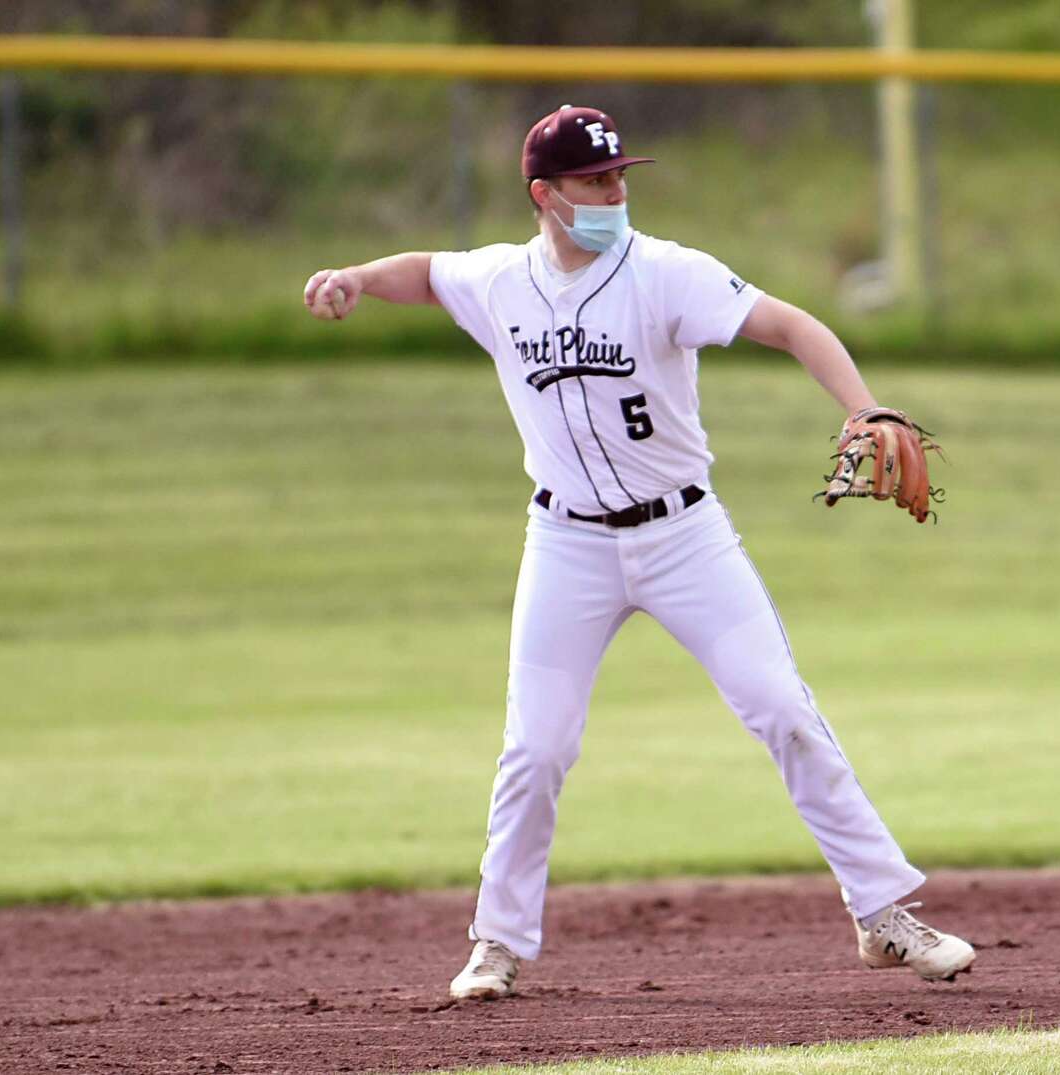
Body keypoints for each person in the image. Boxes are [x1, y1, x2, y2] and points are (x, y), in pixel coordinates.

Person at [303, 105, 975, 1000]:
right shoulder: (500, 280)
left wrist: (864, 405)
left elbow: (791, 325)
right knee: (536, 747)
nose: (615, 193)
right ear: (544, 195)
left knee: (783, 708)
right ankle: (496, 943)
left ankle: (883, 915)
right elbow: (425, 272)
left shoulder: (666, 273)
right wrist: (354, 277)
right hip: (566, 542)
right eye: (594, 181)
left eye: (620, 176)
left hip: (684, 535)